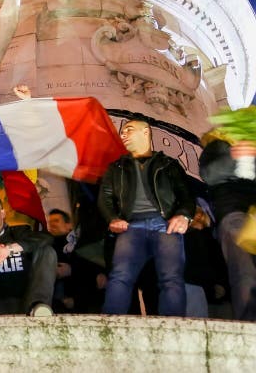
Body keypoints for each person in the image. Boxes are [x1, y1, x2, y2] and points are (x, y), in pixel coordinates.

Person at [98, 116, 194, 316]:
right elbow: (105, 198)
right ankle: (111, 326)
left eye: (129, 129)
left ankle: (173, 327)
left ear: (146, 132)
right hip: (131, 227)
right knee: (120, 276)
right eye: (122, 132)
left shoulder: (168, 164)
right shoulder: (116, 168)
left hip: (165, 224)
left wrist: (184, 216)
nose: (123, 134)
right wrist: (112, 218)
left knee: (171, 278)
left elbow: (186, 194)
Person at [199, 133, 256, 320]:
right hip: (234, 212)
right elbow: (210, 173)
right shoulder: (218, 147)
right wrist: (236, 156)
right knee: (244, 270)